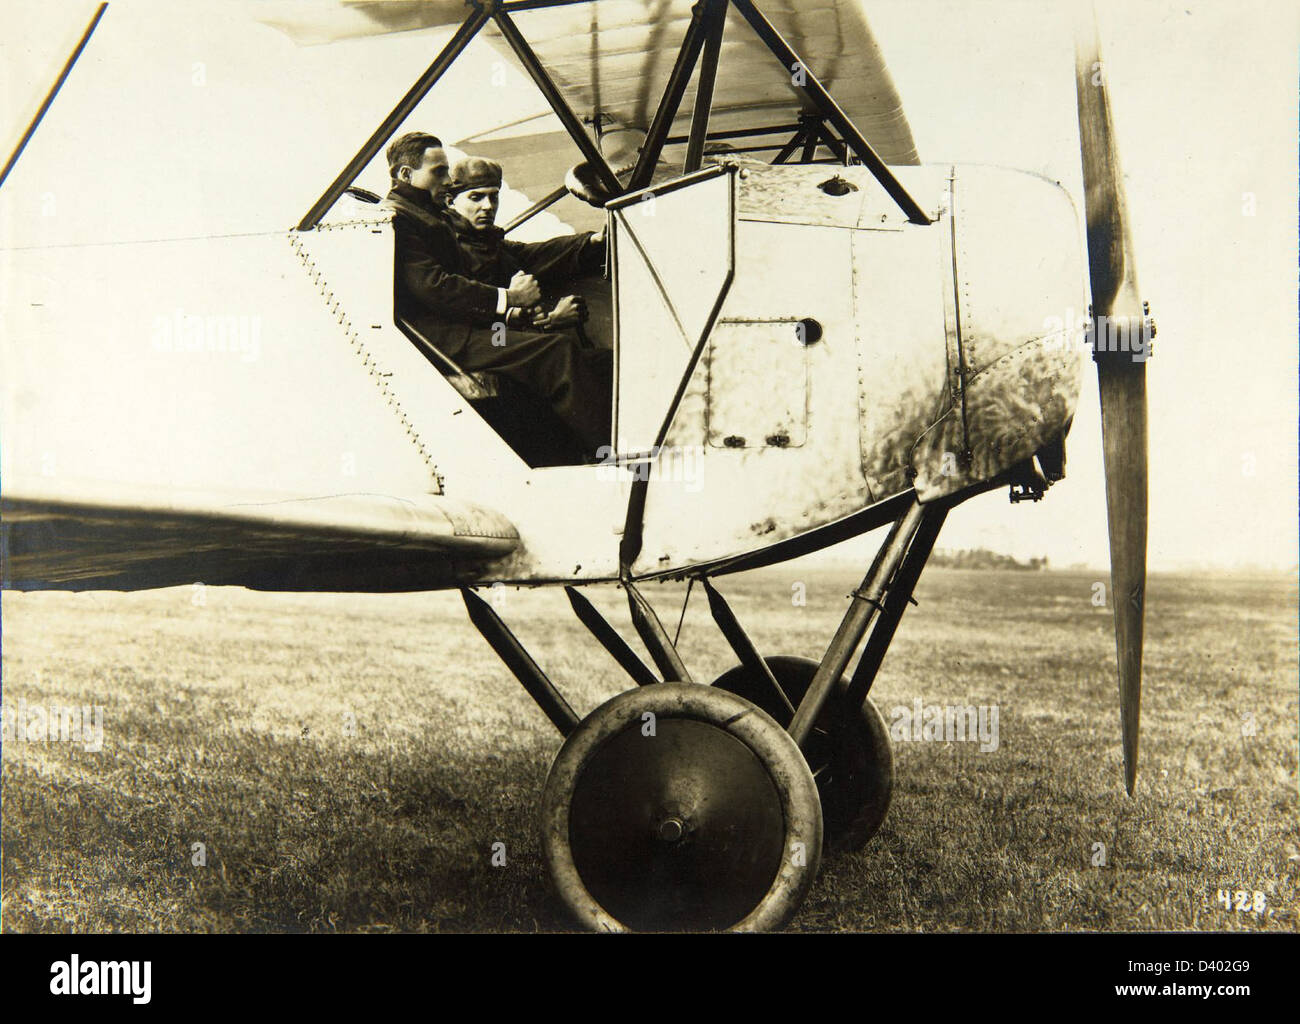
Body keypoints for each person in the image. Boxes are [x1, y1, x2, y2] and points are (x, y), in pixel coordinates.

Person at [384, 133, 613, 457]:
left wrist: (590, 243)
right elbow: (433, 285)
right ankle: (613, 456)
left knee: (602, 362)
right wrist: (509, 300)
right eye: (438, 172)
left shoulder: (427, 215)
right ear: (405, 175)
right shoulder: (402, 217)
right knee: (558, 352)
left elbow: (518, 255)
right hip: (447, 339)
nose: (447, 180)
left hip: (473, 330)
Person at [444, 156, 607, 340]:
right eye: (476, 197)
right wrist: (550, 322)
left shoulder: (493, 244)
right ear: (450, 202)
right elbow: (481, 334)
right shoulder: (452, 252)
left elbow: (539, 253)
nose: (488, 206)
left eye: (493, 197)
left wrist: (594, 240)